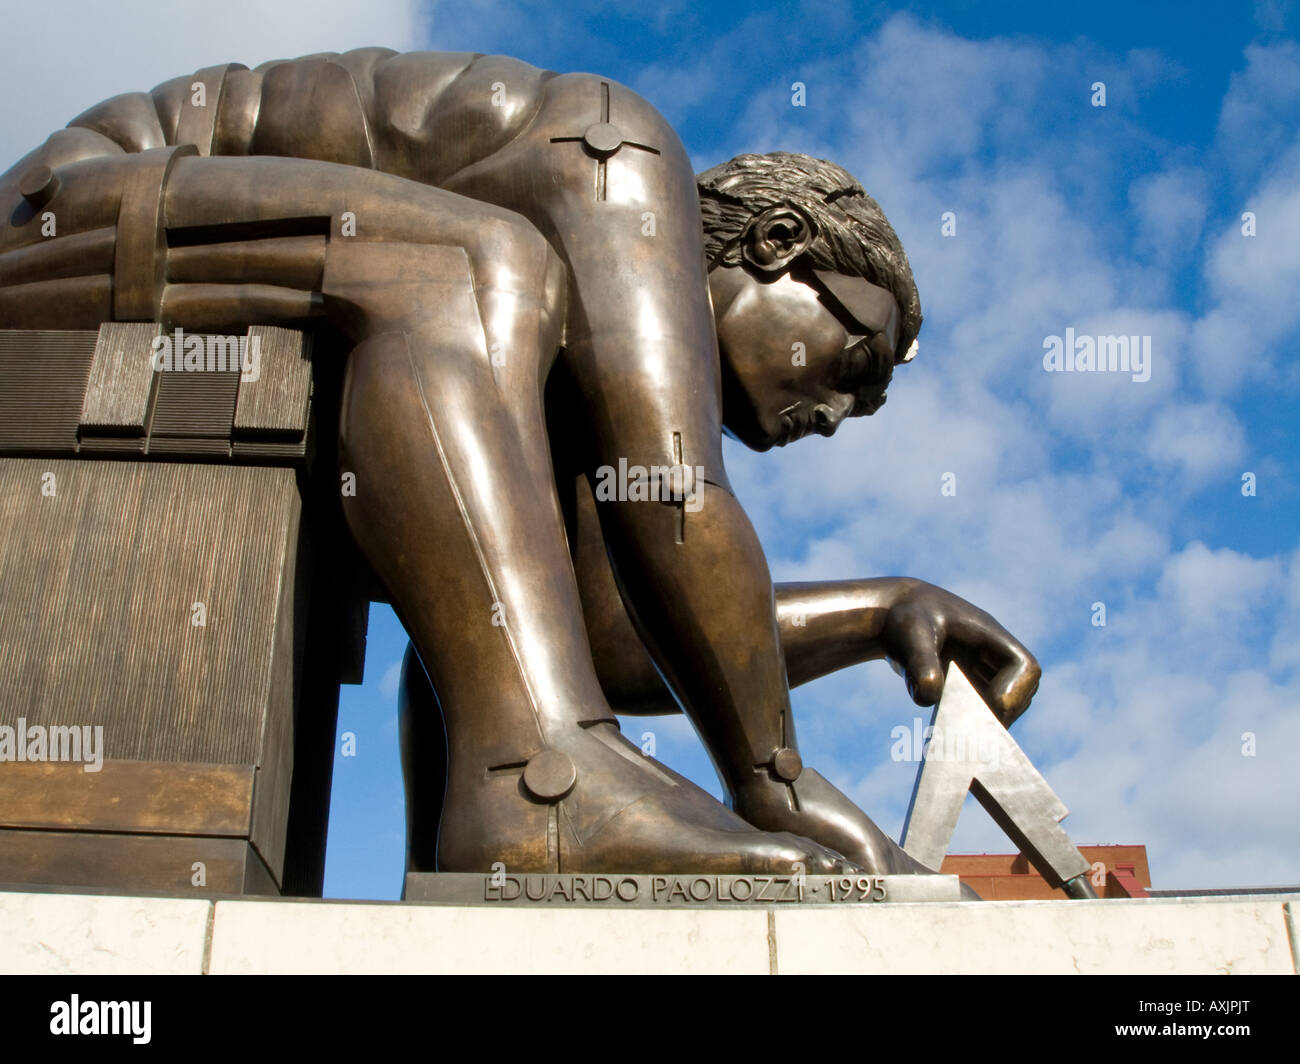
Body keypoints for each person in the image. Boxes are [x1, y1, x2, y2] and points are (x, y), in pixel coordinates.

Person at [0, 49, 1039, 877]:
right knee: (472, 264)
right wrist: (773, 778)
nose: (839, 412)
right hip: (70, 210)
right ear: (775, 241)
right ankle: (532, 783)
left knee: (498, 575)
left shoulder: (555, 377)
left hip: (166, 236)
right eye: (854, 358)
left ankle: (491, 819)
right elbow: (675, 496)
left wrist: (882, 607)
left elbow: (611, 640)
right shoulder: (620, 155)